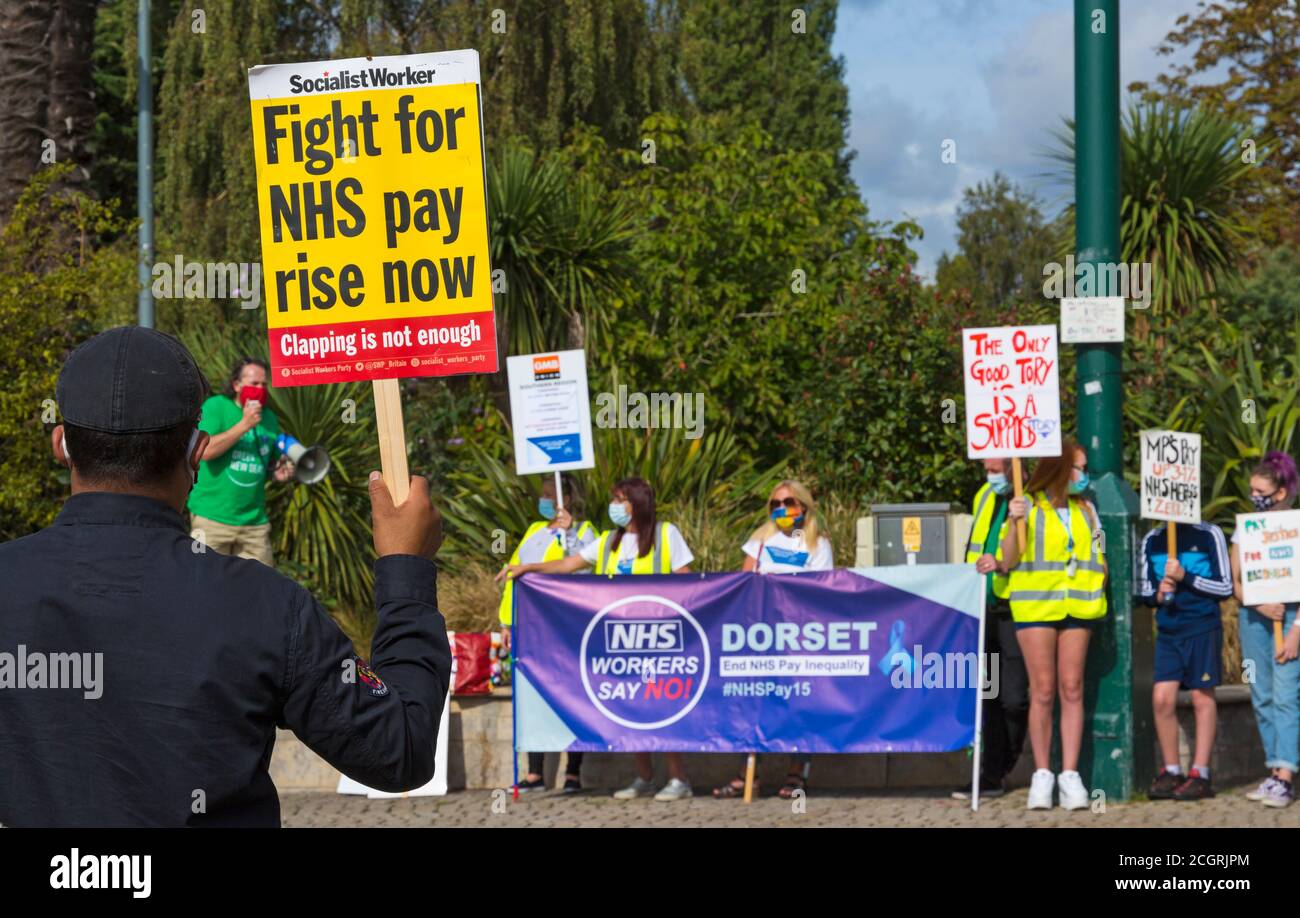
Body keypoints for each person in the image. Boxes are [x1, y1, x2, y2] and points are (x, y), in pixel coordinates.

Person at [0, 326, 450, 827]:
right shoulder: (266, 606)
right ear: (195, 451)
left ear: (61, 445)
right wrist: (405, 567)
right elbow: (397, 750)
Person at [500, 476, 695, 801]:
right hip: (619, 640)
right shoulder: (607, 541)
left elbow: (688, 582)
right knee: (630, 709)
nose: (614, 506)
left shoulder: (665, 534)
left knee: (660, 707)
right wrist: (527, 567)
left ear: (638, 502)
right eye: (614, 499)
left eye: (620, 499)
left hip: (657, 641)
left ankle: (679, 779)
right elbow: (568, 564)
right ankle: (644, 777)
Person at [1001, 438, 1107, 811]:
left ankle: (1071, 775)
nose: (1084, 475)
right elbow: (1008, 559)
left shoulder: (1088, 511)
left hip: (1078, 606)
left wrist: (1099, 574)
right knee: (1043, 690)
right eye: (1079, 467)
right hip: (1036, 607)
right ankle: (1043, 774)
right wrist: (1015, 522)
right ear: (1060, 469)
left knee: (1071, 687)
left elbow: (1100, 551)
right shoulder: (1025, 506)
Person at [713, 479, 832, 800]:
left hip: (798, 635)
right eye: (775, 504)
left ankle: (797, 773)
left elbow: (820, 591)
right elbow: (744, 583)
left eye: (789, 502)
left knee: (798, 702)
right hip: (761, 634)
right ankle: (747, 775)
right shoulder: (759, 542)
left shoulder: (818, 545)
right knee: (754, 700)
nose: (782, 509)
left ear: (803, 506)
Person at [498, 474, 598, 793]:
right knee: (533, 697)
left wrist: (569, 535)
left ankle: (573, 772)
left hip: (569, 630)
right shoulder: (532, 532)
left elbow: (589, 569)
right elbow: (514, 577)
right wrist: (505, 623)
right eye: (541, 494)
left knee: (573, 697)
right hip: (530, 630)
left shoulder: (585, 531)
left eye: (549, 494)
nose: (544, 500)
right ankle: (535, 773)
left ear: (566, 499)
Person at [950, 457, 1029, 801]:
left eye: (997, 469)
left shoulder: (1032, 501)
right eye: (987, 469)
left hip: (1017, 607)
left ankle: (1006, 761)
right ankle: (990, 773)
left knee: (1014, 699)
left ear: (1017, 469)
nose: (991, 475)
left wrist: (1002, 563)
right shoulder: (984, 496)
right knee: (988, 694)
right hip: (982, 608)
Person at [1140, 513, 1232, 801]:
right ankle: (1171, 770)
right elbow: (1143, 590)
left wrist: (1186, 578)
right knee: (1162, 698)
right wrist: (1158, 594)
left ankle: (1201, 773)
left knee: (1201, 697)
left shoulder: (1210, 534)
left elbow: (1225, 587)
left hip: (1202, 626)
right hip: (1168, 630)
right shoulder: (1152, 539)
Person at [1230, 452, 1300, 808]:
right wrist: (1257, 603)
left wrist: (1296, 629)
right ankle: (1274, 770)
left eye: (1261, 491)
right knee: (1262, 694)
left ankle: (1286, 777)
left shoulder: (1297, 528)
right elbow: (1235, 581)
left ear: (1281, 492)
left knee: (1287, 695)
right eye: (1251, 491)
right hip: (1254, 619)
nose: (1254, 497)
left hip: (1290, 620)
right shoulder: (1246, 529)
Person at [187, 356, 294, 566]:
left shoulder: (269, 419)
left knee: (258, 590)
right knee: (203, 586)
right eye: (254, 383)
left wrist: (279, 473)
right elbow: (204, 451)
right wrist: (244, 425)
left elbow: (268, 463)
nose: (260, 388)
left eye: (264, 384)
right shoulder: (217, 407)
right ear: (237, 385)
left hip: (254, 524)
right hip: (212, 518)